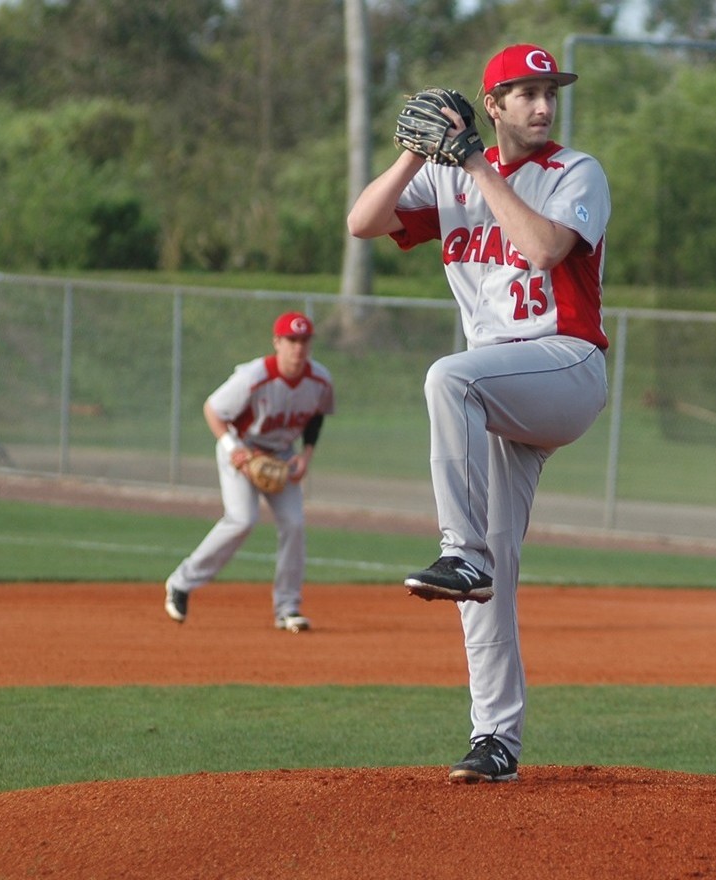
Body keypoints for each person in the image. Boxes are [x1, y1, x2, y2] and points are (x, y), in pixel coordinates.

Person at [346, 43, 610, 784]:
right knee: (491, 574)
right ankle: (496, 741)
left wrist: (476, 165)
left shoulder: (574, 171)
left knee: (447, 378)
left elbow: (542, 247)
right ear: (492, 107)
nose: (542, 104)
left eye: (548, 90)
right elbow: (362, 223)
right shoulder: (450, 175)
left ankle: (459, 552)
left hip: (565, 366)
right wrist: (409, 155)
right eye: (524, 92)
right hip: (501, 389)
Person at [163, 311, 335, 632]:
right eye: (291, 340)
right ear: (277, 343)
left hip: (281, 457)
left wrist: (306, 456)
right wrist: (234, 451)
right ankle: (181, 583)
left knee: (294, 524)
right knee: (242, 519)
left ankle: (288, 608)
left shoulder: (320, 379)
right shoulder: (255, 376)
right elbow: (213, 410)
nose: (298, 347)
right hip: (241, 448)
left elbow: (316, 416)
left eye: (304, 340)